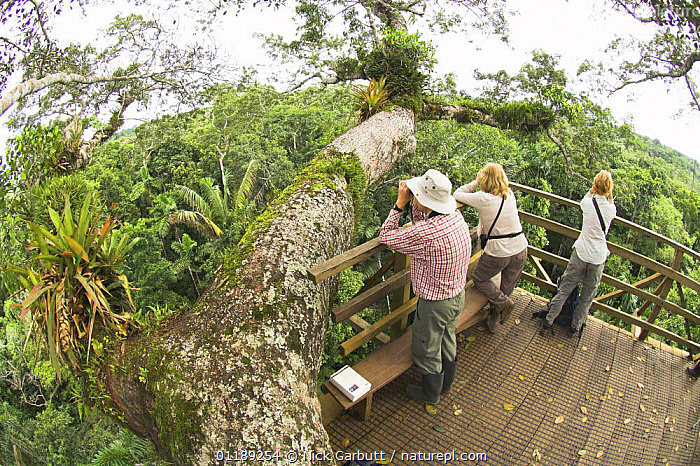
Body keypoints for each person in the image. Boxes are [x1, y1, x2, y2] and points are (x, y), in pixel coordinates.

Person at [379, 169, 471, 404]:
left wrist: (400, 204)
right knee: (446, 338)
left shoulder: (425, 234)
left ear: (425, 201)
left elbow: (386, 237)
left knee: (426, 347)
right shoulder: (454, 218)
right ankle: (447, 384)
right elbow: (424, 220)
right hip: (456, 294)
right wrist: (418, 202)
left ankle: (431, 394)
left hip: (435, 303)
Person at [540, 170, 617, 337]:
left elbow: (587, 197)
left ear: (595, 186)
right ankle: (575, 326)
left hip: (581, 252)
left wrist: (592, 190)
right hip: (597, 257)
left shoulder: (587, 203)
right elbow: (610, 203)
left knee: (565, 288)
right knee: (587, 295)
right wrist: (608, 195)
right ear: (610, 189)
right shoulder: (611, 210)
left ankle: (548, 320)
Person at [454, 163, 528, 333]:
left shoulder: (483, 198)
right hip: (520, 248)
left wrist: (475, 181)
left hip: (499, 252)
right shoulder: (509, 194)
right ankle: (494, 323)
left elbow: (457, 194)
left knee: (479, 278)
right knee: (506, 287)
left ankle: (503, 304)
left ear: (485, 179)